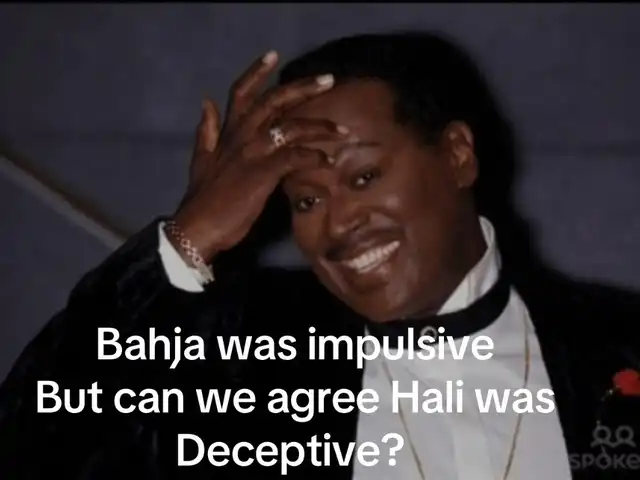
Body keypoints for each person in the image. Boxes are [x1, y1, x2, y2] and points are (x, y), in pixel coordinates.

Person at [0, 31, 639, 480]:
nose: (339, 223)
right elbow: (34, 444)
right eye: (306, 201)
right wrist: (189, 236)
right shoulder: (245, 360)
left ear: (456, 155)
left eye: (364, 177)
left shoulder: (619, 348)